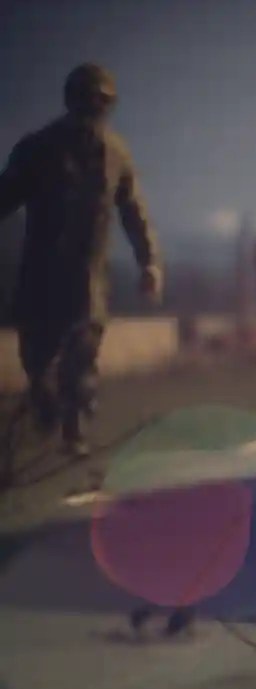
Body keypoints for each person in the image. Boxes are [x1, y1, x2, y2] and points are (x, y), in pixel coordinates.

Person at [0, 63, 162, 457]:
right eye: (87, 98)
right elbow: (5, 196)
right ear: (71, 100)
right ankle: (45, 403)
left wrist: (149, 262)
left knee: (82, 359)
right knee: (38, 361)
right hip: (40, 275)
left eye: (101, 100)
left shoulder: (116, 155)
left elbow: (134, 212)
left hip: (87, 279)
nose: (93, 107)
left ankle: (74, 431)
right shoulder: (36, 149)